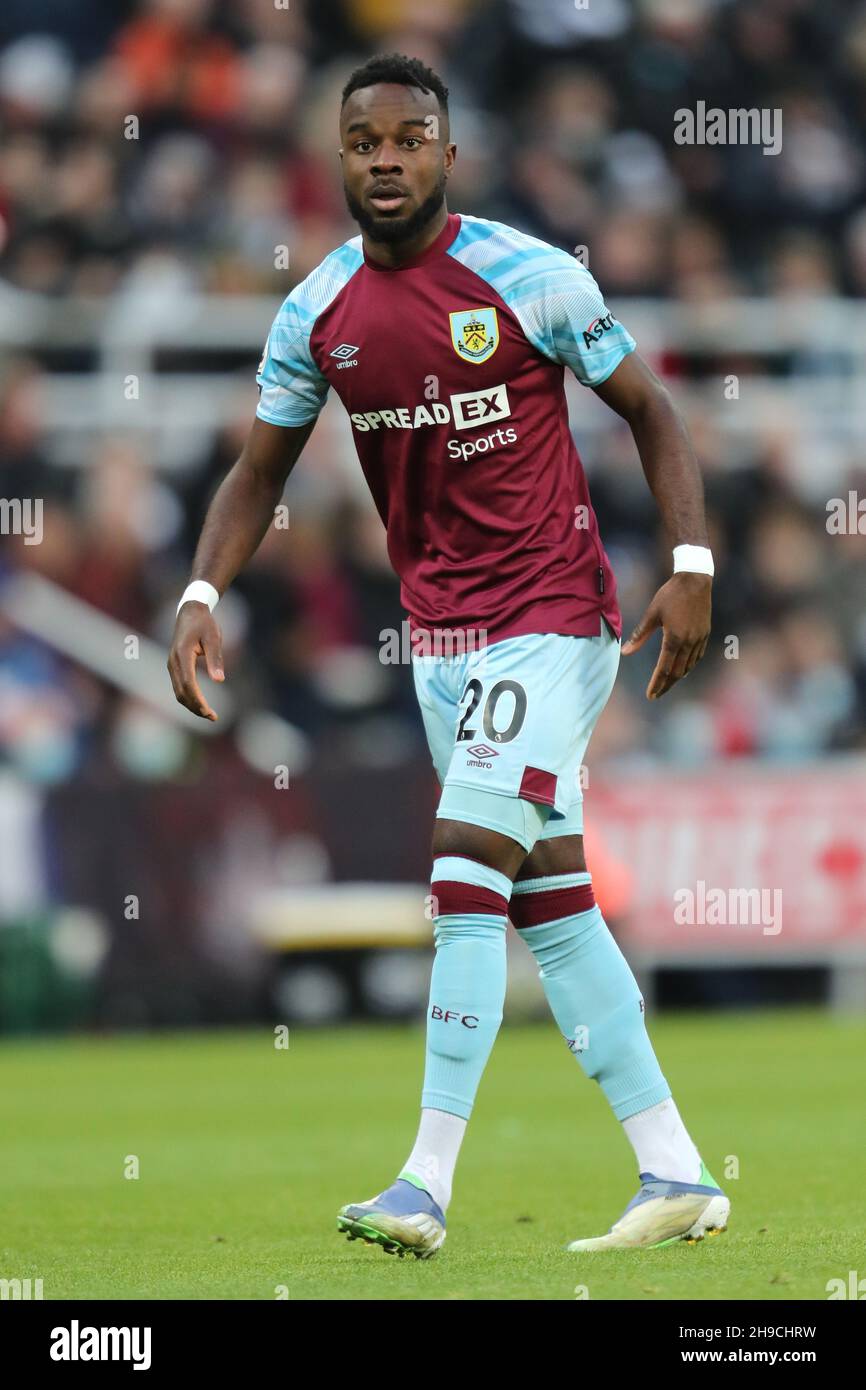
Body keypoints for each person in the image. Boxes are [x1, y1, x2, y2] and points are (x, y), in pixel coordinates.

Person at [167, 53, 729, 1257]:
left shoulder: (532, 277)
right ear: (338, 156)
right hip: (440, 644)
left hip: (551, 618)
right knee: (552, 906)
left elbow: (651, 410)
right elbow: (257, 471)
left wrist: (690, 564)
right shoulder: (315, 311)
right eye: (363, 141)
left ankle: (422, 1183)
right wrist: (203, 588)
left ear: (447, 153)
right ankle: (674, 1167)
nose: (385, 159)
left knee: (463, 869)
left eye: (407, 139)